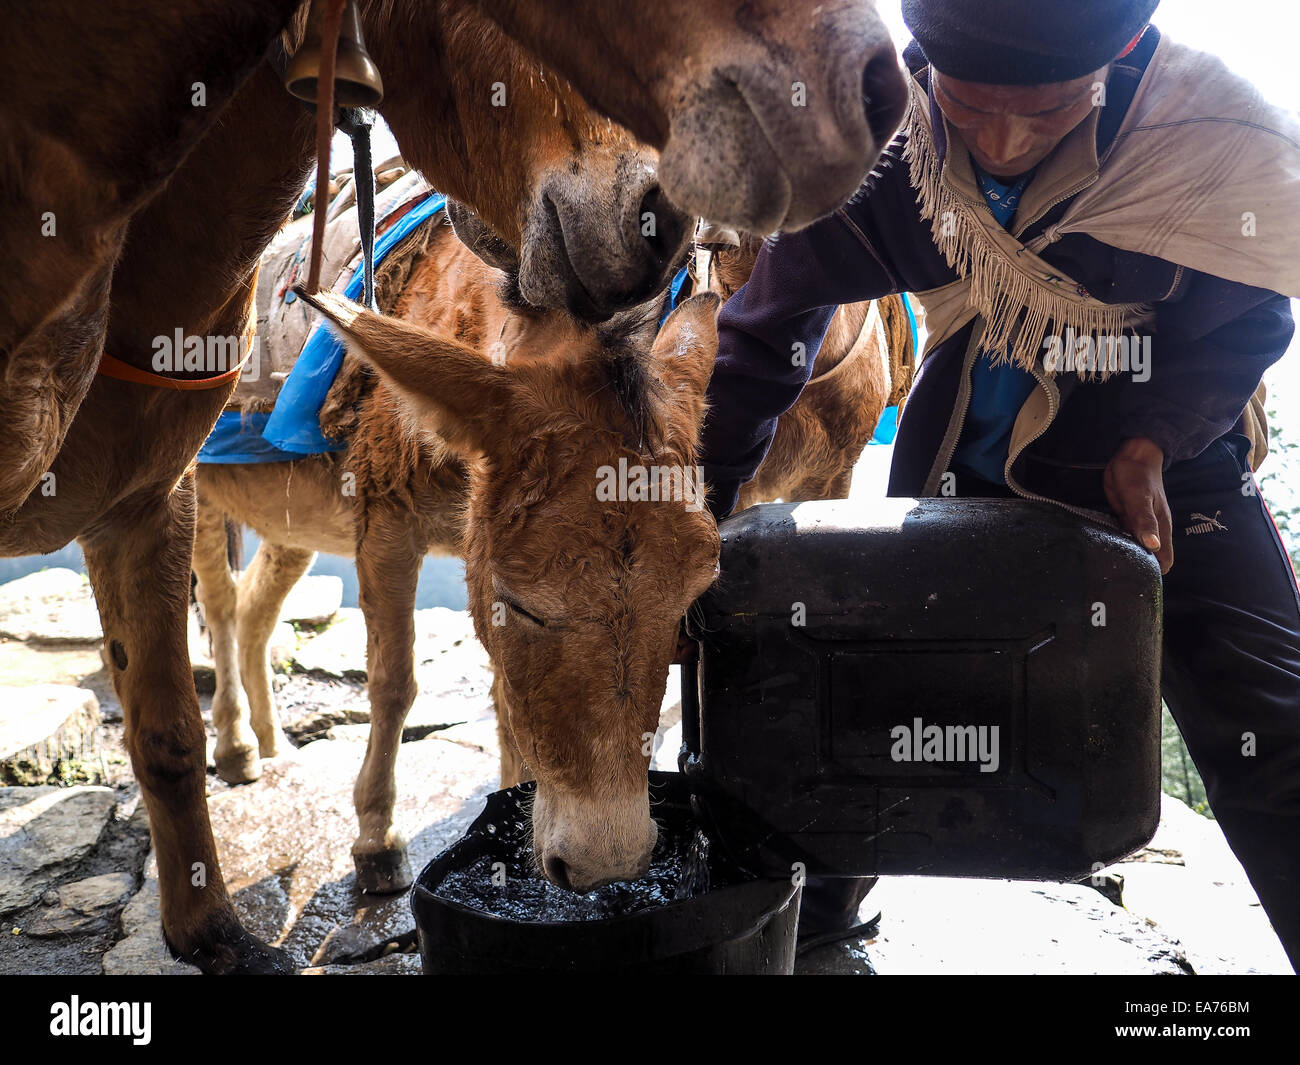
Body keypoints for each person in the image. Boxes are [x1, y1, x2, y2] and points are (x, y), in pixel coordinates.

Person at [698, 0, 1300, 970]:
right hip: (967, 455)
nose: (1005, 142)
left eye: (1050, 108)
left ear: (1120, 56)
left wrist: (1155, 437)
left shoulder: (1207, 136)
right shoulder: (890, 141)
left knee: (1275, 740)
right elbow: (769, 325)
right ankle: (816, 930)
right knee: (855, 709)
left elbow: (1249, 320)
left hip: (1164, 477)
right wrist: (701, 505)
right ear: (922, 63)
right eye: (971, 106)